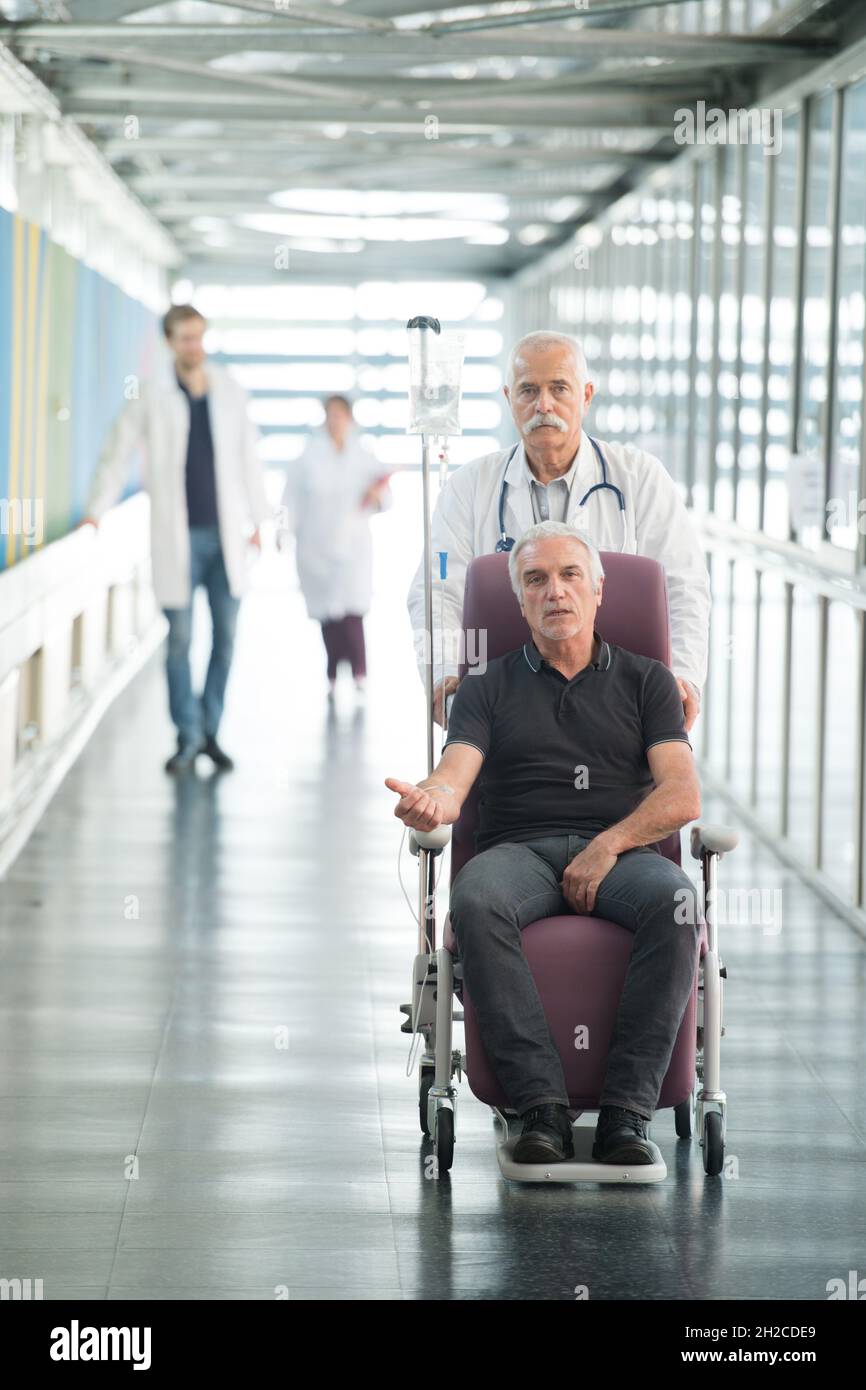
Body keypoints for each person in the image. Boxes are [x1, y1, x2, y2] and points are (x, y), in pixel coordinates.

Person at [388, 522, 702, 1167]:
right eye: (536, 580)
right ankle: (539, 1108)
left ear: (598, 591)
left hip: (623, 855)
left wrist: (607, 846)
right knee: (476, 901)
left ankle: (627, 1113)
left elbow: (681, 797)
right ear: (521, 600)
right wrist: (431, 801)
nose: (555, 591)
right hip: (518, 854)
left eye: (568, 576)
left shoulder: (648, 682)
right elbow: (456, 775)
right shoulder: (485, 687)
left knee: (676, 903)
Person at [407, 330, 710, 730]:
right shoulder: (469, 487)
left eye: (559, 388)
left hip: (620, 702)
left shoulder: (639, 478)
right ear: (508, 399)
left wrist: (683, 677)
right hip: (505, 705)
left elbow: (684, 585)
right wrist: (447, 674)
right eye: (528, 390)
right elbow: (438, 587)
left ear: (585, 395)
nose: (543, 404)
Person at [82, 304, 270, 773]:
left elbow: (250, 457)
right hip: (178, 537)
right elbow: (117, 452)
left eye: (199, 337)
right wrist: (95, 511)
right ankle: (186, 737)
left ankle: (211, 732)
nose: (195, 346)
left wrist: (261, 520)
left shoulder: (229, 390)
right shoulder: (151, 395)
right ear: (169, 342)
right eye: (186, 338)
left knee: (225, 639)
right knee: (181, 640)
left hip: (226, 537)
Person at [280, 395, 392, 698]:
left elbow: (385, 498)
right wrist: (283, 533)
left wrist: (376, 494)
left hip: (354, 545)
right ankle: (332, 673)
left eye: (341, 415)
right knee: (328, 615)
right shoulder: (308, 458)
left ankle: (358, 672)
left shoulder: (364, 455)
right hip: (315, 545)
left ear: (350, 419)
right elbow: (290, 500)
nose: (335, 421)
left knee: (353, 612)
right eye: (330, 415)